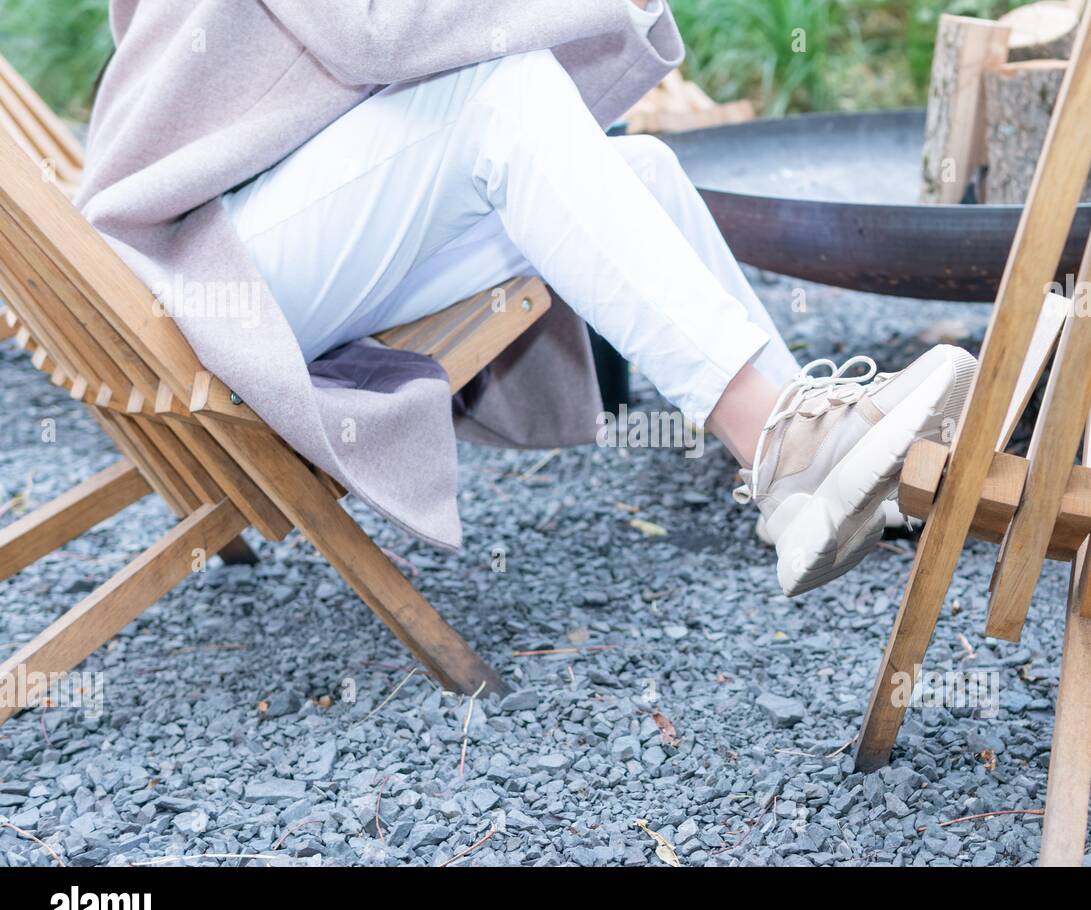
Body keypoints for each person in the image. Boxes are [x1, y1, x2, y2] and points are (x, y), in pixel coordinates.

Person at [81, 0, 975, 596]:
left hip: (270, 223)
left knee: (645, 167)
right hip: (201, 267)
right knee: (500, 92)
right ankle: (788, 443)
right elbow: (377, 35)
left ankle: (803, 467)